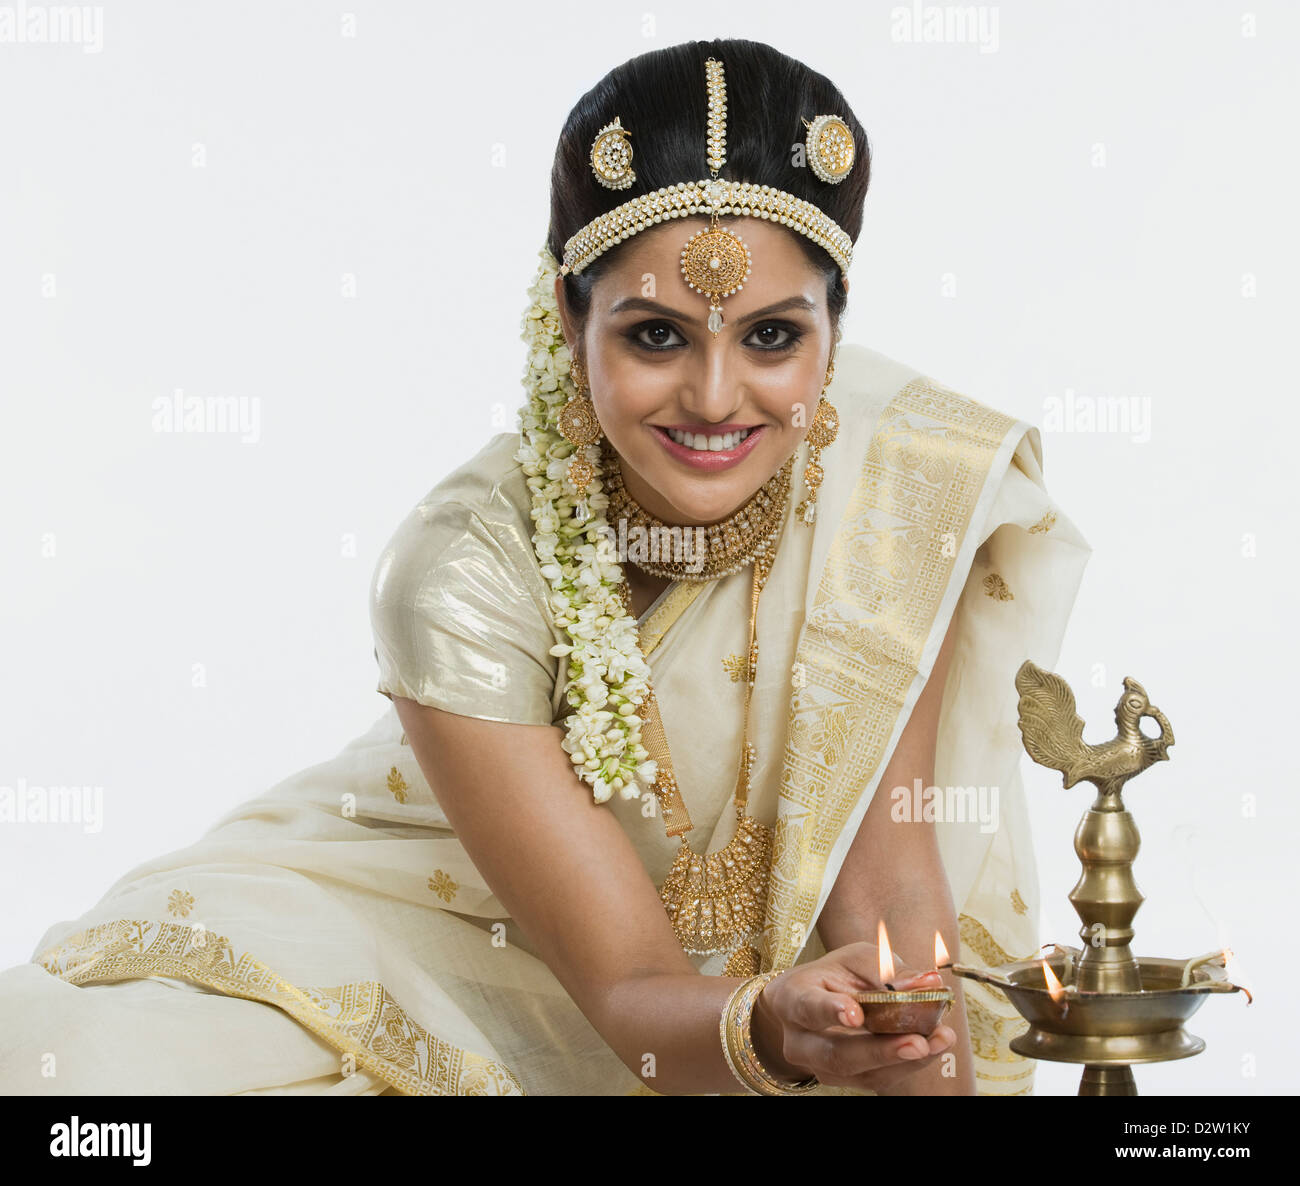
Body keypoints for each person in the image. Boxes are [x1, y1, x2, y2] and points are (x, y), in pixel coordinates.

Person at [0, 38, 1090, 1096]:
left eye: (769, 338)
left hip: (745, 1011)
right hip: (417, 939)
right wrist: (764, 1025)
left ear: (833, 334)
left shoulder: (892, 484)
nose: (716, 398)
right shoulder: (459, 569)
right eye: (655, 336)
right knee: (100, 1072)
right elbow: (628, 989)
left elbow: (889, 884)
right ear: (568, 320)